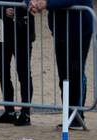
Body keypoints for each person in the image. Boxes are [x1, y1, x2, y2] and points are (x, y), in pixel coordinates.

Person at [29, 0, 93, 130]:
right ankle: (69, 115)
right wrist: (32, 2)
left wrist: (47, 4)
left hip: (79, 28)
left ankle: (76, 117)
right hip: (60, 29)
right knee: (63, 75)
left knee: (75, 72)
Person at [0, 4, 35, 126]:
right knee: (3, 73)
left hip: (22, 31)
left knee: (23, 73)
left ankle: (26, 112)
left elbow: (32, 4)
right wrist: (2, 10)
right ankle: (9, 111)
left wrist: (18, 11)